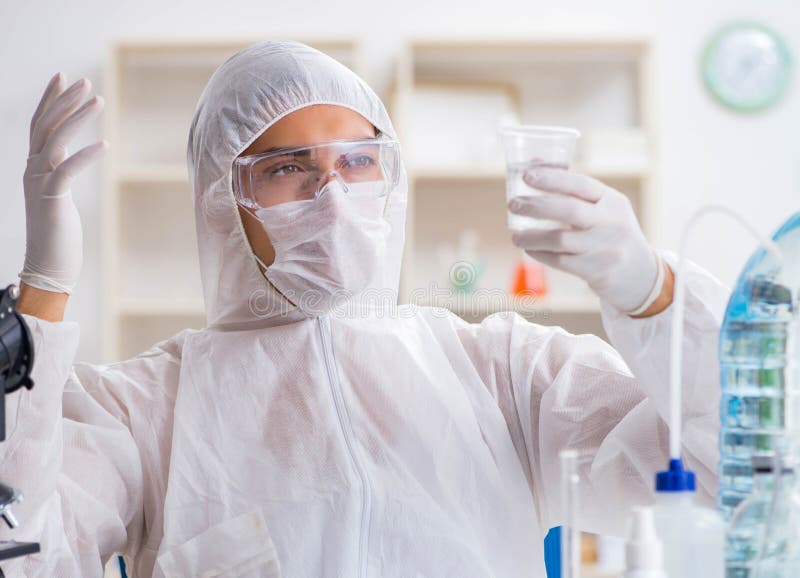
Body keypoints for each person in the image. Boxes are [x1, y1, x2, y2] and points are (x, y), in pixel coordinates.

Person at [6, 41, 727, 577]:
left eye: (357, 161)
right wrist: (40, 299)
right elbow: (25, 552)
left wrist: (652, 294)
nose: (333, 195)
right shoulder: (142, 407)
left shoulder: (503, 371)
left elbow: (725, 478)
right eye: (288, 168)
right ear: (222, 203)